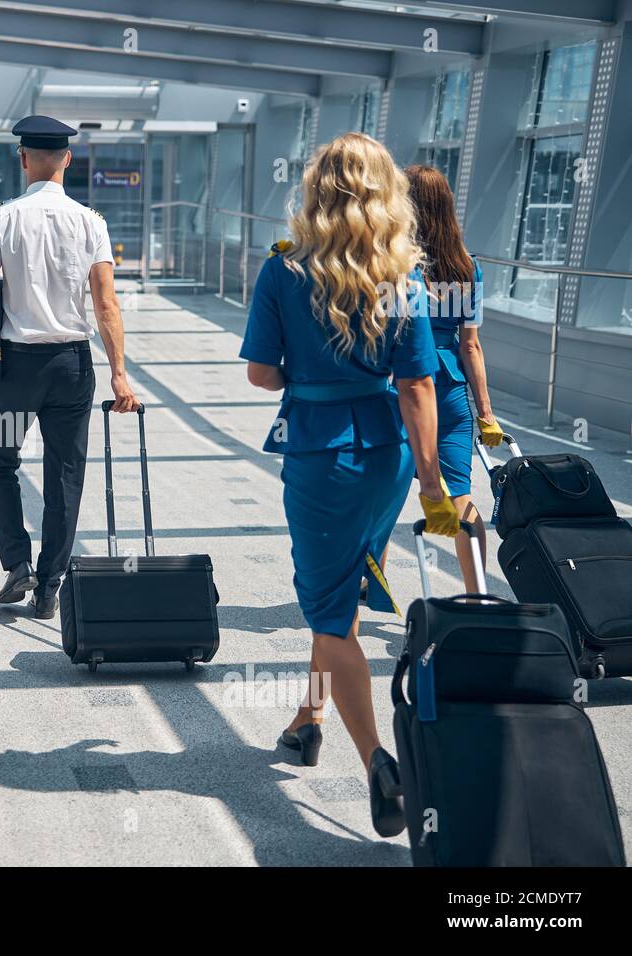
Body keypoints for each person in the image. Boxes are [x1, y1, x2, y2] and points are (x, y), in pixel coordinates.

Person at [240, 132, 460, 837]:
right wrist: (434, 489)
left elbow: (261, 374)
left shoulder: (283, 271)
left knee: (330, 613)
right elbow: (419, 384)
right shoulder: (405, 275)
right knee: (345, 588)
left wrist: (305, 369)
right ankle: (308, 719)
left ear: (316, 190)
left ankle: (379, 766)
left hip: (320, 452)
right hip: (389, 456)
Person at [0, 115, 140, 620]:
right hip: (71, 367)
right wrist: (119, 374)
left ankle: (17, 563)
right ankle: (50, 585)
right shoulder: (91, 222)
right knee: (65, 475)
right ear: (68, 159)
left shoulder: (0, 219)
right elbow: (106, 305)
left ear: (23, 159)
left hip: (13, 370)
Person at [405, 164, 503, 590]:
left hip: (403, 386)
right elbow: (471, 346)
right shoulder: (469, 269)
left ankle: (371, 586)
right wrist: (486, 413)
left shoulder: (397, 266)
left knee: (383, 497)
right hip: (451, 392)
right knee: (461, 494)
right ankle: (477, 591)